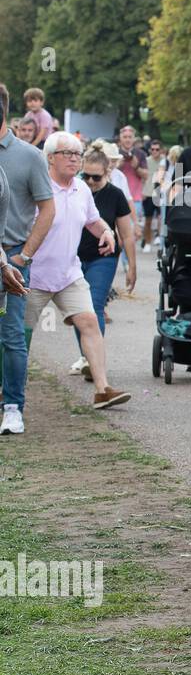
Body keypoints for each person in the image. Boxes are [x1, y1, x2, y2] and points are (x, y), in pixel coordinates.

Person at [25, 133, 129, 410]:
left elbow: (93, 221)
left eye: (77, 153)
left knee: (90, 323)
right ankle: (10, 393)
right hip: (33, 276)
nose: (74, 158)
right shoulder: (37, 187)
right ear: (50, 158)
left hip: (69, 274)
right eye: (67, 153)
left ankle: (102, 389)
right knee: (19, 335)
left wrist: (107, 233)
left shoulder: (82, 188)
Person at [1, 82, 57, 436]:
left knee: (10, 335)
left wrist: (23, 256)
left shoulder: (28, 155)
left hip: (11, 255)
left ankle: (12, 407)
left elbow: (47, 208)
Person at [73, 147, 137, 361]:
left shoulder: (115, 195)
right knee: (78, 309)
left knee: (94, 304)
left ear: (107, 173)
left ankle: (93, 359)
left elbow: (127, 235)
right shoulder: (75, 190)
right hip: (74, 258)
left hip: (104, 258)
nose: (90, 181)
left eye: (96, 177)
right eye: (86, 175)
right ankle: (85, 356)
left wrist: (132, 269)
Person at [116, 125, 148, 224]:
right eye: (125, 137)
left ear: (134, 138)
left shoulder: (140, 153)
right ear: (120, 138)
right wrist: (117, 166)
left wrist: (136, 167)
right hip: (116, 196)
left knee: (132, 228)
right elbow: (105, 173)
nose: (127, 140)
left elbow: (146, 176)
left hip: (135, 197)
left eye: (130, 137)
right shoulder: (115, 152)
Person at [141, 138, 165, 253]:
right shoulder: (145, 161)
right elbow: (141, 178)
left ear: (161, 150)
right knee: (148, 220)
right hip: (148, 194)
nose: (154, 151)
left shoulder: (165, 162)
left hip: (161, 194)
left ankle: (160, 239)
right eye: (152, 149)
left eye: (157, 149)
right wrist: (142, 192)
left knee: (162, 219)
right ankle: (147, 242)